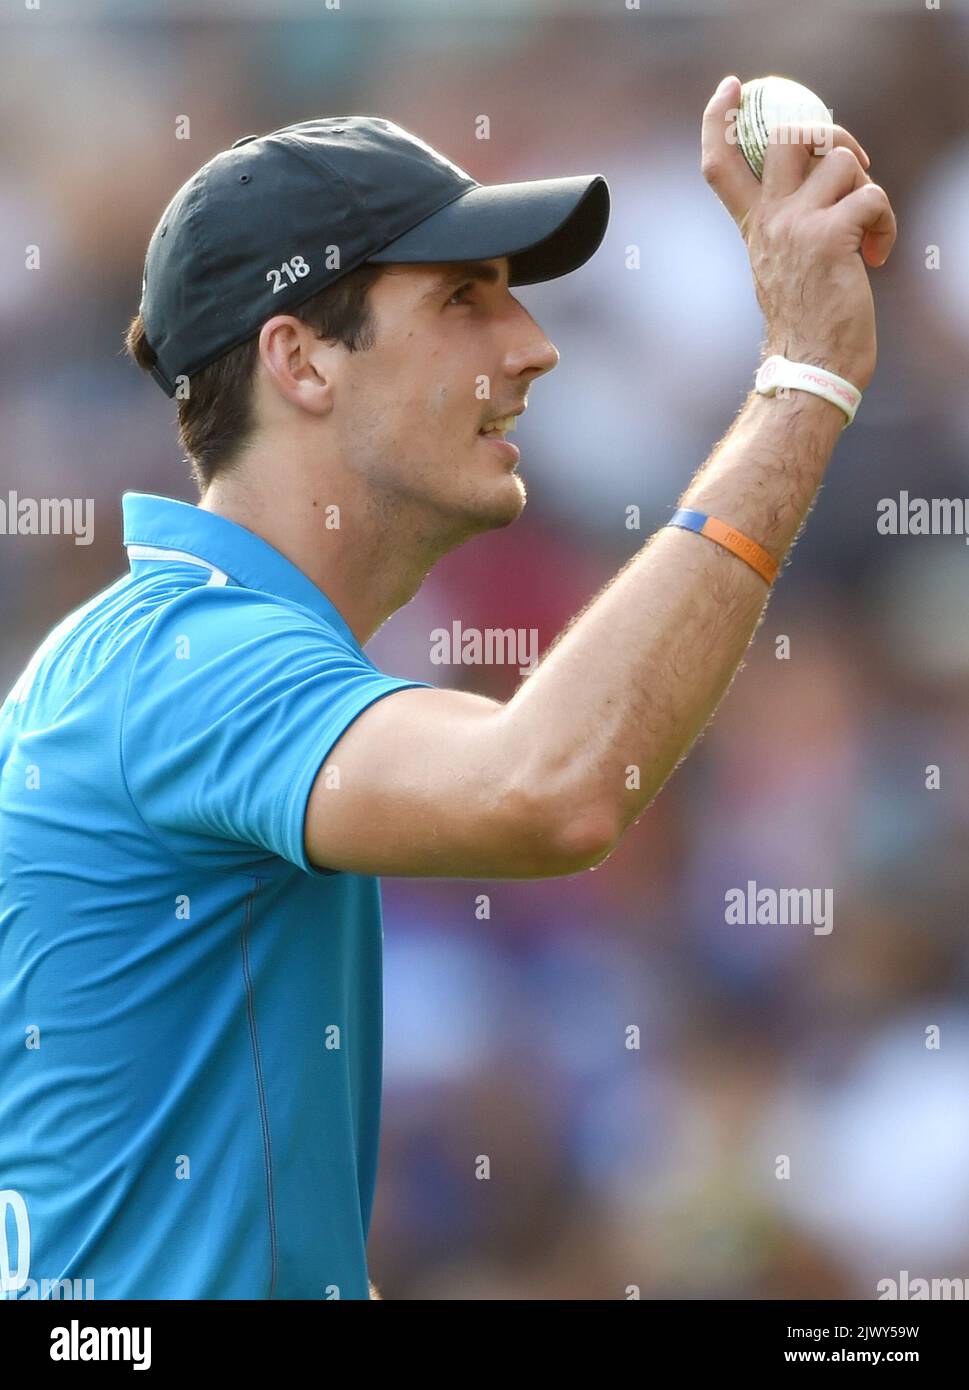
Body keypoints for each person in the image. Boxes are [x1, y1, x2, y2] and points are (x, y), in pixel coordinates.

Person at [0, 80, 896, 1301]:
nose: (533, 344)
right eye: (465, 299)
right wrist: (805, 374)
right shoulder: (191, 656)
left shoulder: (187, 649)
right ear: (300, 359)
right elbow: (551, 789)